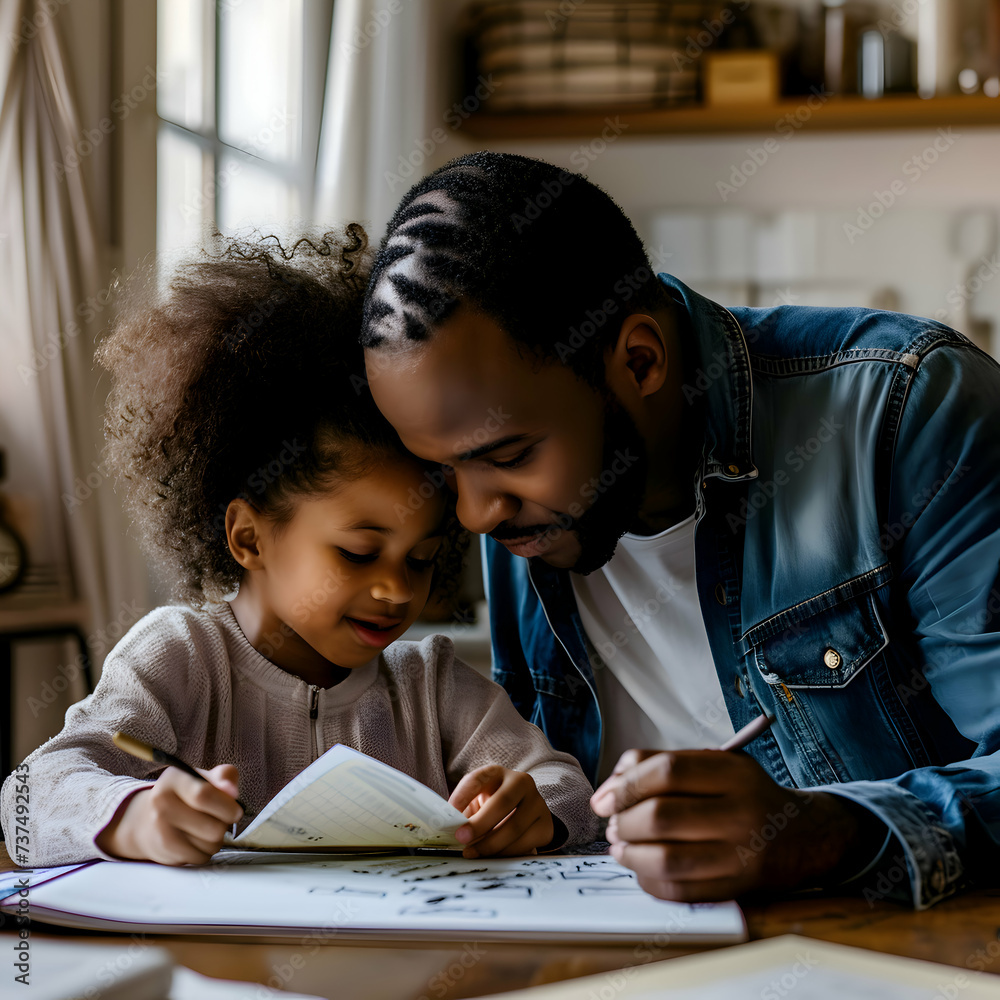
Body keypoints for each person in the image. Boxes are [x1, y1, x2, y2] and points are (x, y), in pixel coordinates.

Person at [359, 151, 1000, 910]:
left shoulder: (906, 415)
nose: (474, 515)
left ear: (639, 360)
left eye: (507, 456)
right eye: (444, 471)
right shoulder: (524, 514)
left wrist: (824, 833)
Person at [0, 229, 596, 868]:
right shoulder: (181, 658)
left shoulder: (434, 685)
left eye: (420, 559)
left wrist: (533, 809)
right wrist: (135, 818)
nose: (397, 591)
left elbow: (570, 791)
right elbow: (30, 796)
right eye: (359, 553)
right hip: (217, 964)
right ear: (249, 537)